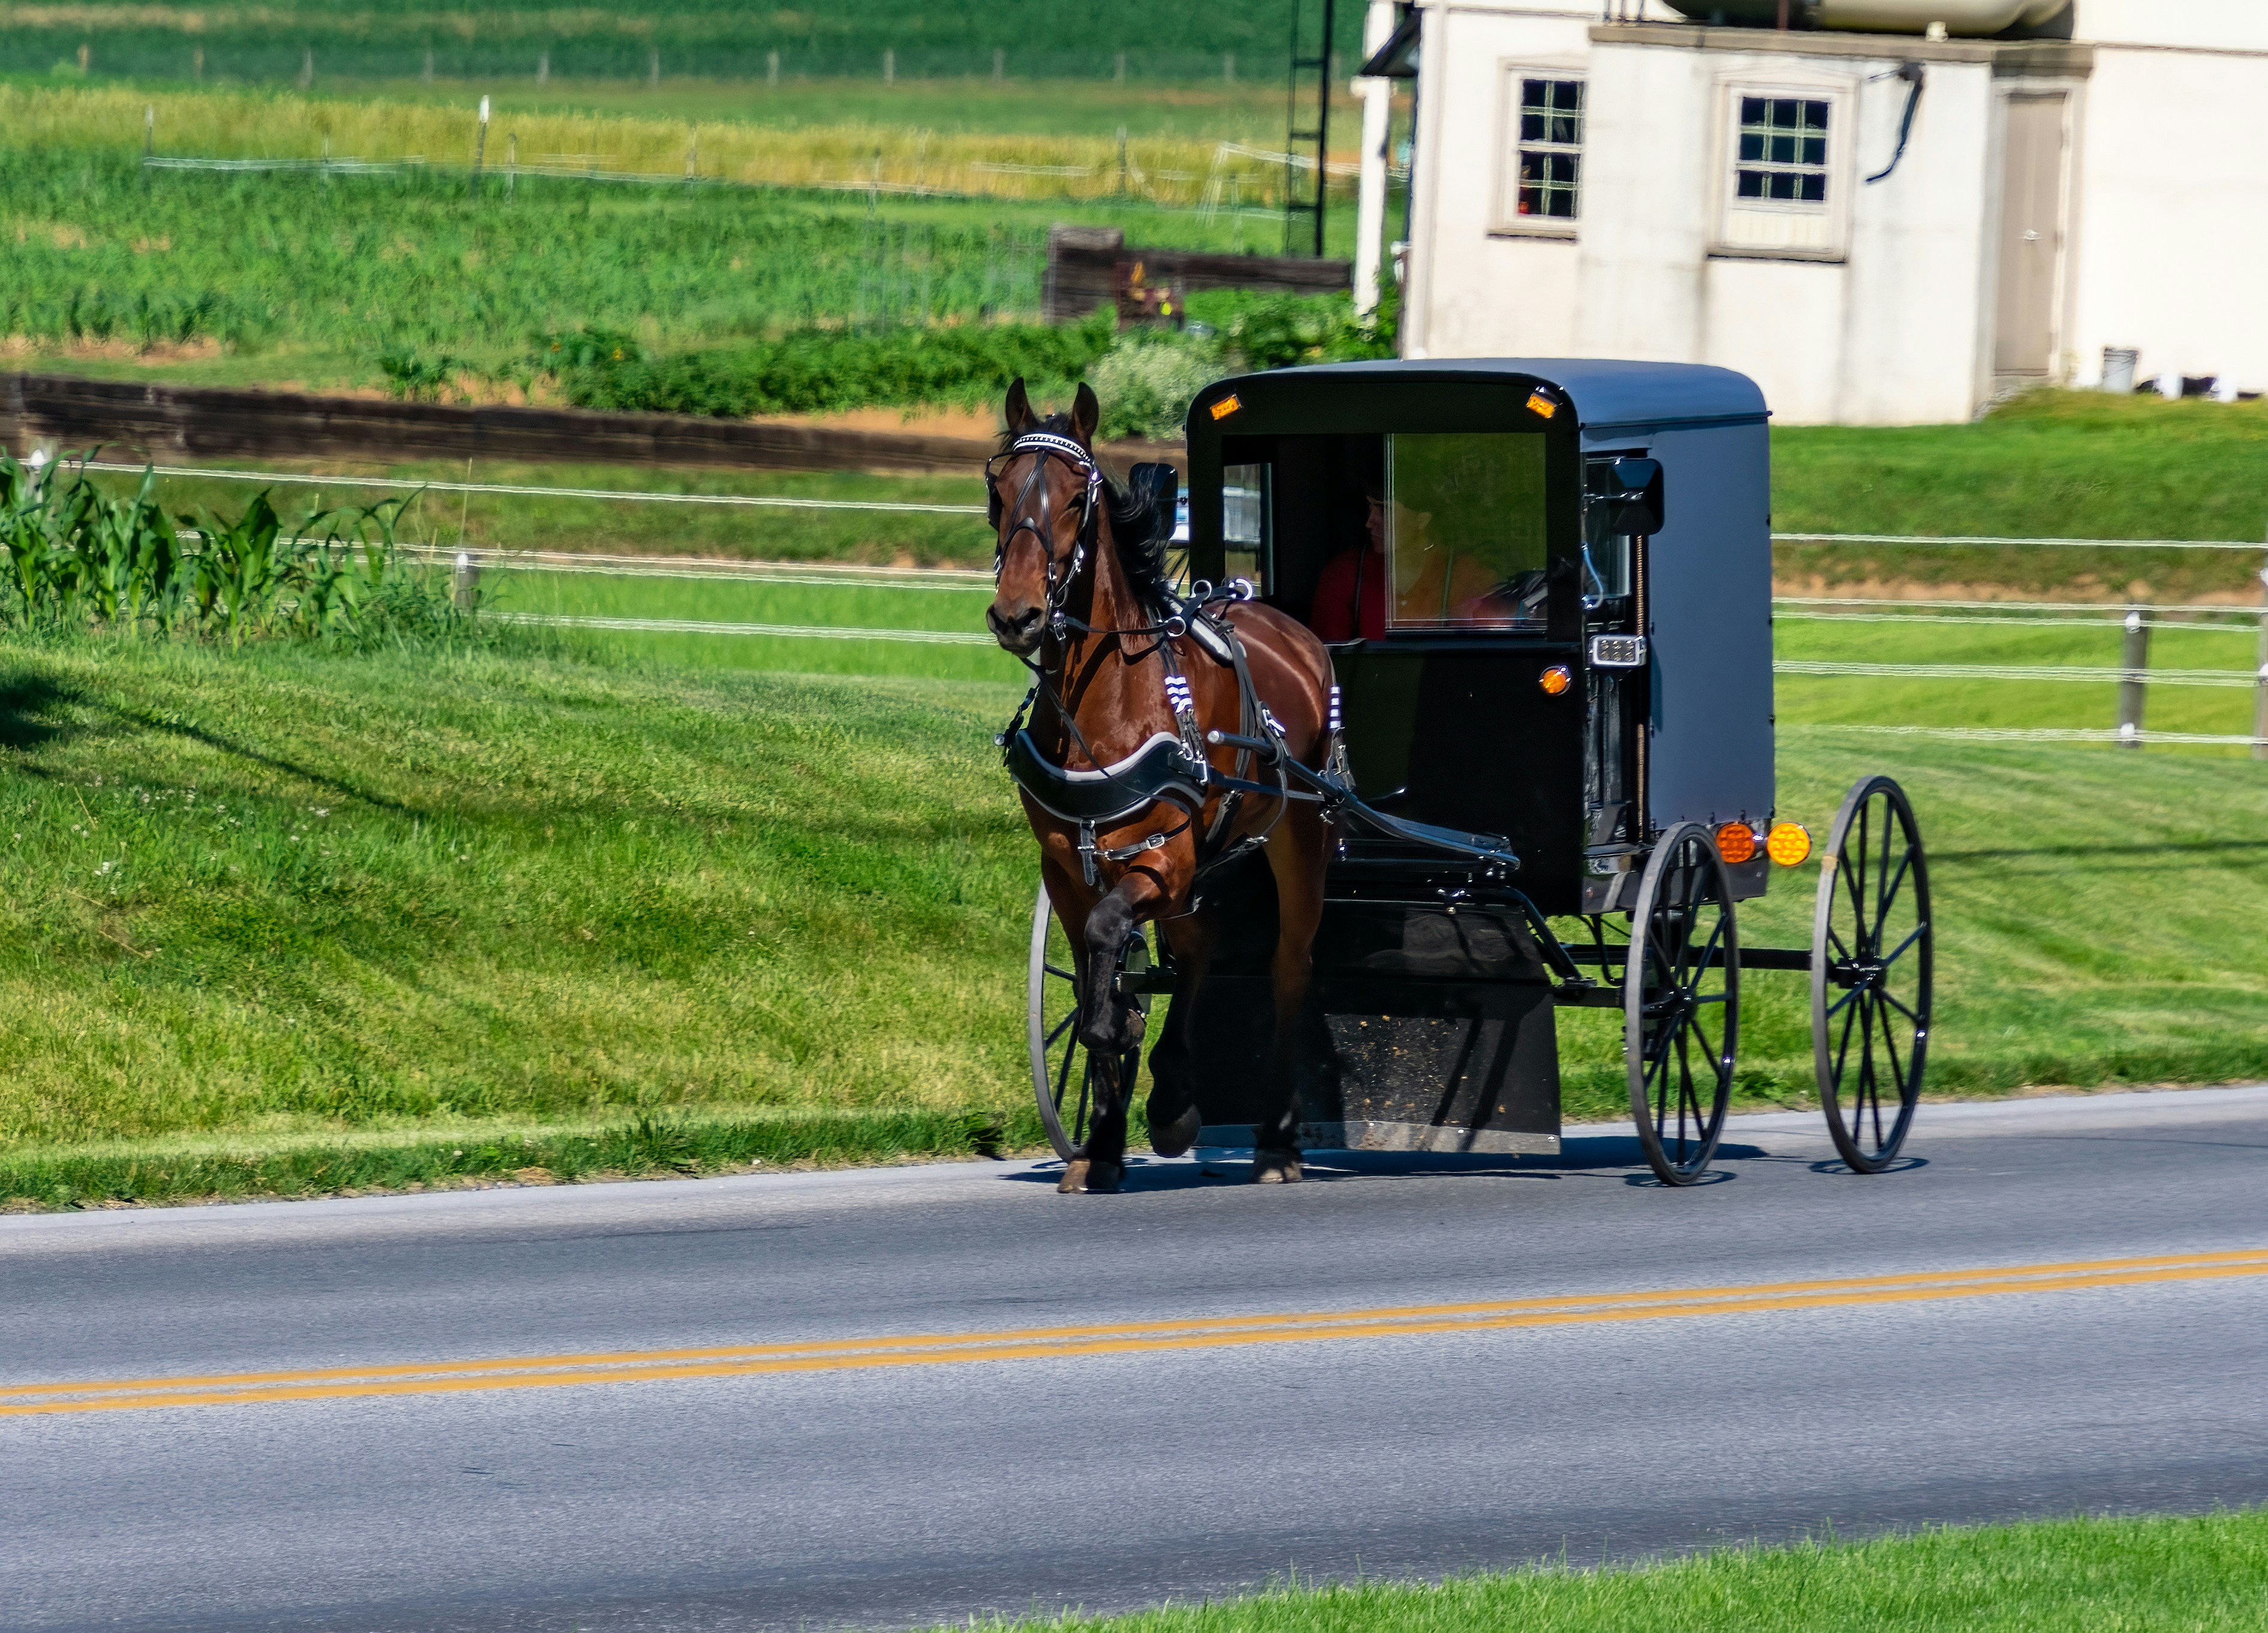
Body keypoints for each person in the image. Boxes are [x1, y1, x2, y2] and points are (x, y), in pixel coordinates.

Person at [1309, 486, 1388, 641]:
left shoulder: (1446, 574)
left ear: (1423, 519)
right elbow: (1330, 657)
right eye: (1370, 509)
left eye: (1385, 511)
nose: (1369, 523)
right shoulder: (1344, 573)